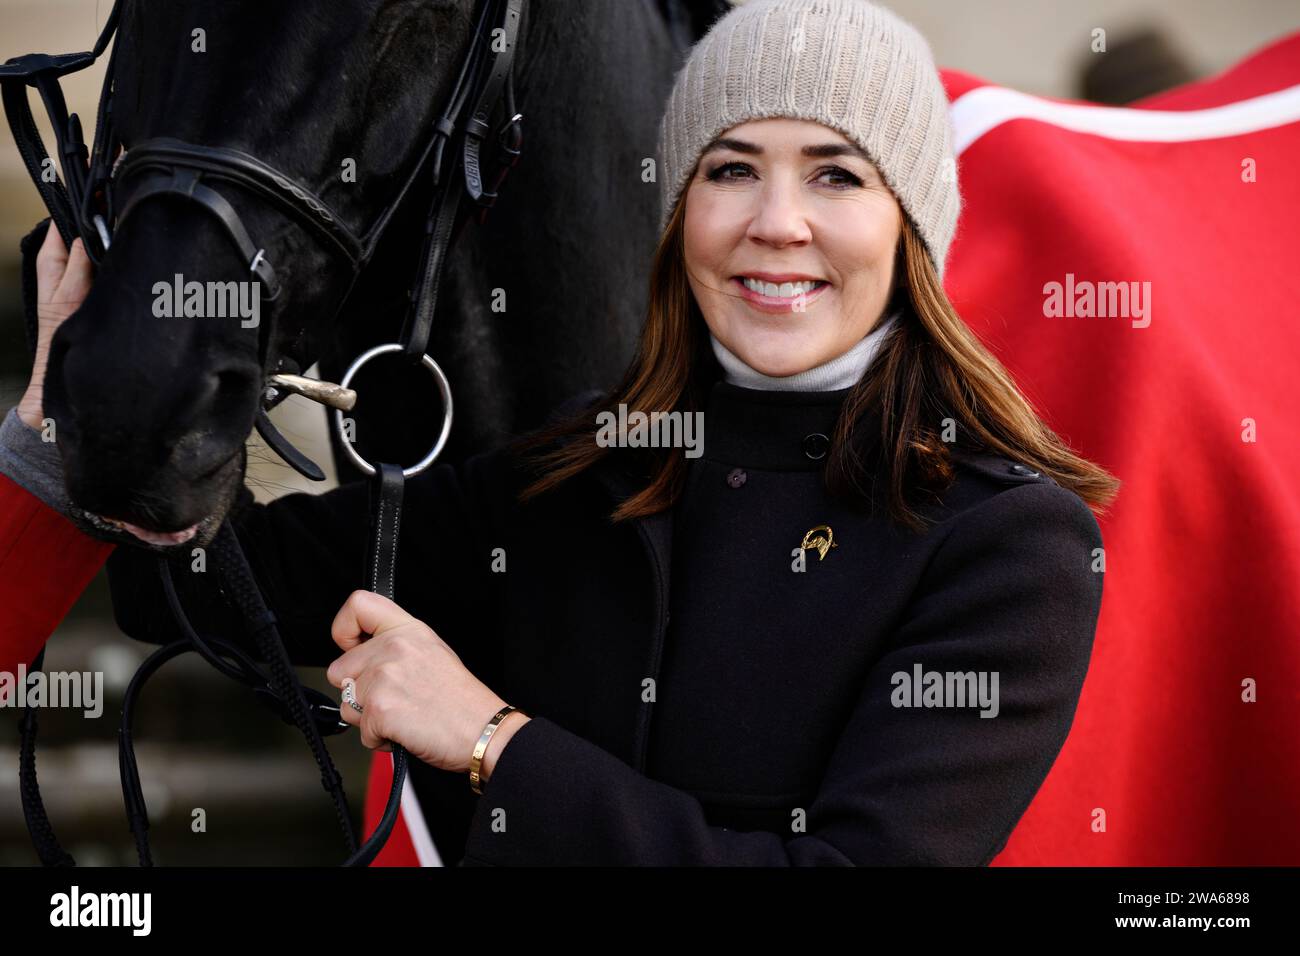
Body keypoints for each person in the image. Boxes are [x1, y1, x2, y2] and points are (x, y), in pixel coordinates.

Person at [0, 0, 1118, 865]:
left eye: (836, 175)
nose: (777, 223)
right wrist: (88, 379)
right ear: (680, 212)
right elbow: (180, 585)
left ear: (910, 226)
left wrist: (493, 740)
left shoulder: (1010, 543)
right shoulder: (567, 477)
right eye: (730, 170)